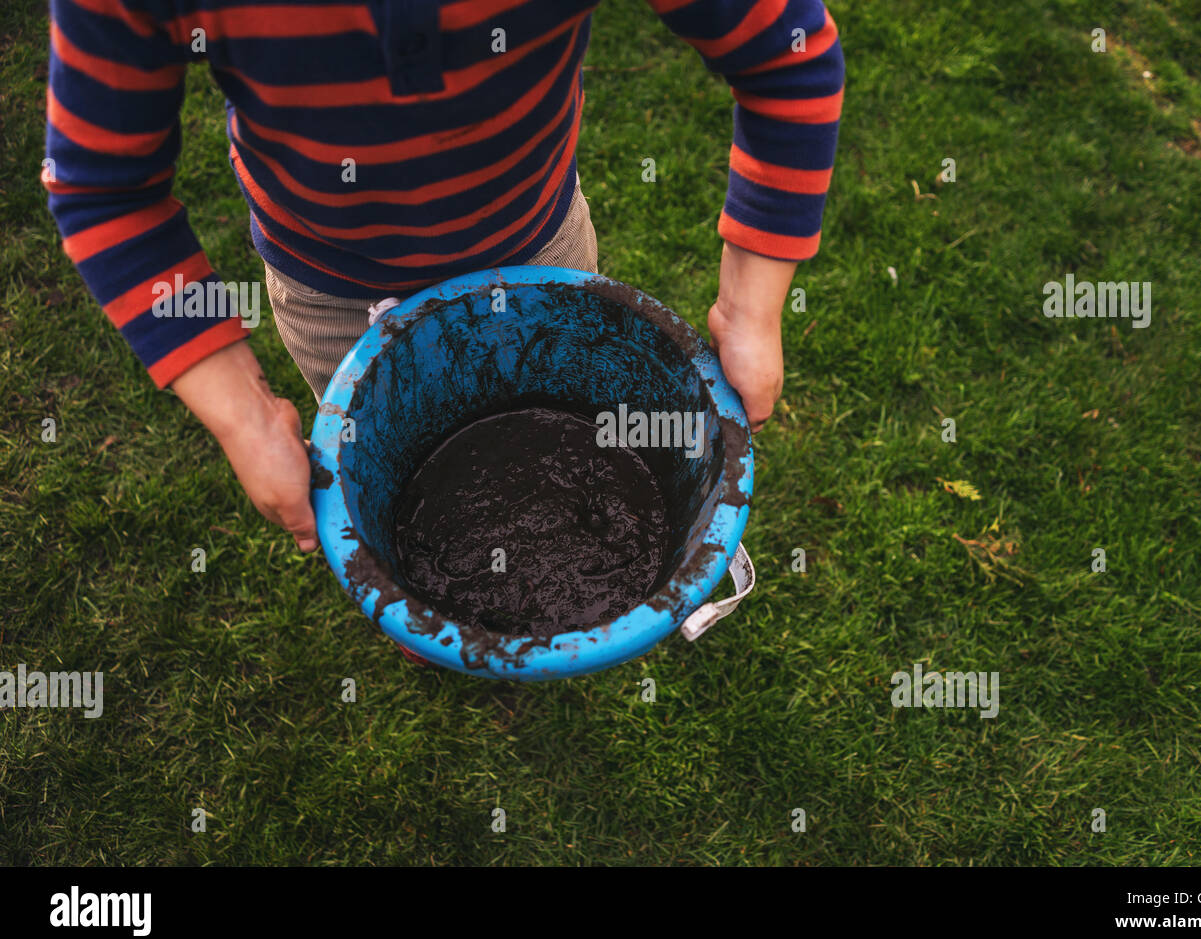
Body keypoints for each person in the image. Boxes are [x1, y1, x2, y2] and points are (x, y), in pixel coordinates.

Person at [44, 0, 845, 552]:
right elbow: (108, 193)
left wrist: (750, 310)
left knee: (559, 455)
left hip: (541, 254)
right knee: (407, 497)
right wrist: (244, 419)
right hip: (333, 300)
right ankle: (427, 615)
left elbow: (789, 57)